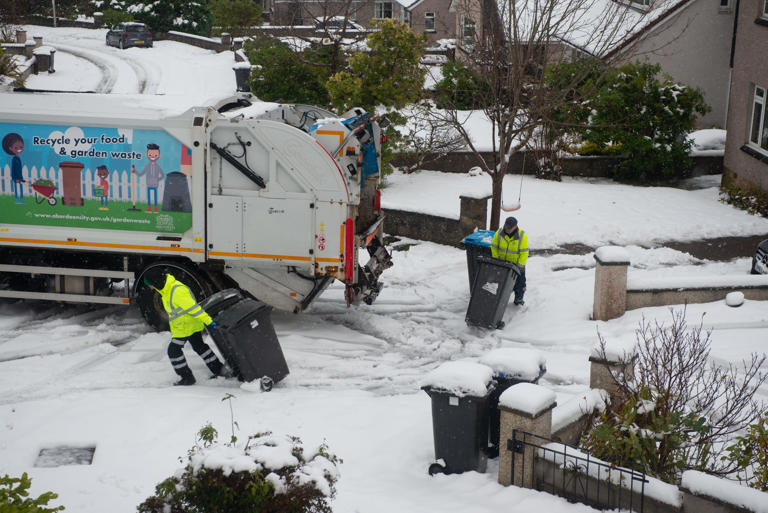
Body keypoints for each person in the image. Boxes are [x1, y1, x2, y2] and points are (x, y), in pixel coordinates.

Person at [144, 272, 227, 386]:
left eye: (150, 284)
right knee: (199, 346)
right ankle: (219, 370)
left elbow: (194, 309)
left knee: (173, 351)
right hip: (188, 325)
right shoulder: (165, 289)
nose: (150, 287)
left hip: (185, 327)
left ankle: (187, 377)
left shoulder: (176, 291)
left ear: (156, 282)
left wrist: (209, 321)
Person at [491, 216, 529, 305]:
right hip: (502, 263)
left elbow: (524, 253)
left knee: (520, 283)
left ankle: (519, 299)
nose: (507, 230)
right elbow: (494, 246)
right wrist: (496, 260)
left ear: (515, 226)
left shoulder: (522, 236)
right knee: (499, 282)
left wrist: (520, 266)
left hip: (516, 264)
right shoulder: (499, 232)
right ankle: (498, 299)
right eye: (506, 227)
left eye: (509, 228)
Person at [132, 143, 164, 213]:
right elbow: (141, 174)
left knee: (155, 197)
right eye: (150, 155)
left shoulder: (158, 167)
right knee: (149, 197)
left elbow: (162, 175)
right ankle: (149, 208)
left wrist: (157, 179)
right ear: (147, 155)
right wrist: (135, 171)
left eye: (155, 155)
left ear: (159, 155)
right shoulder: (147, 166)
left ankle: (155, 208)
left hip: (155, 184)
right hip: (149, 184)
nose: (153, 157)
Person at [2, 133, 26, 204]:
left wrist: (21, 177)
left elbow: (19, 169)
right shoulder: (14, 159)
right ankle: (16, 200)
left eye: (21, 147)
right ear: (10, 148)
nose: (19, 150)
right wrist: (15, 178)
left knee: (21, 188)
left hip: (20, 177)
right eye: (16, 148)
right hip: (16, 177)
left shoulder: (18, 158)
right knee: (16, 189)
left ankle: (21, 199)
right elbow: (13, 169)